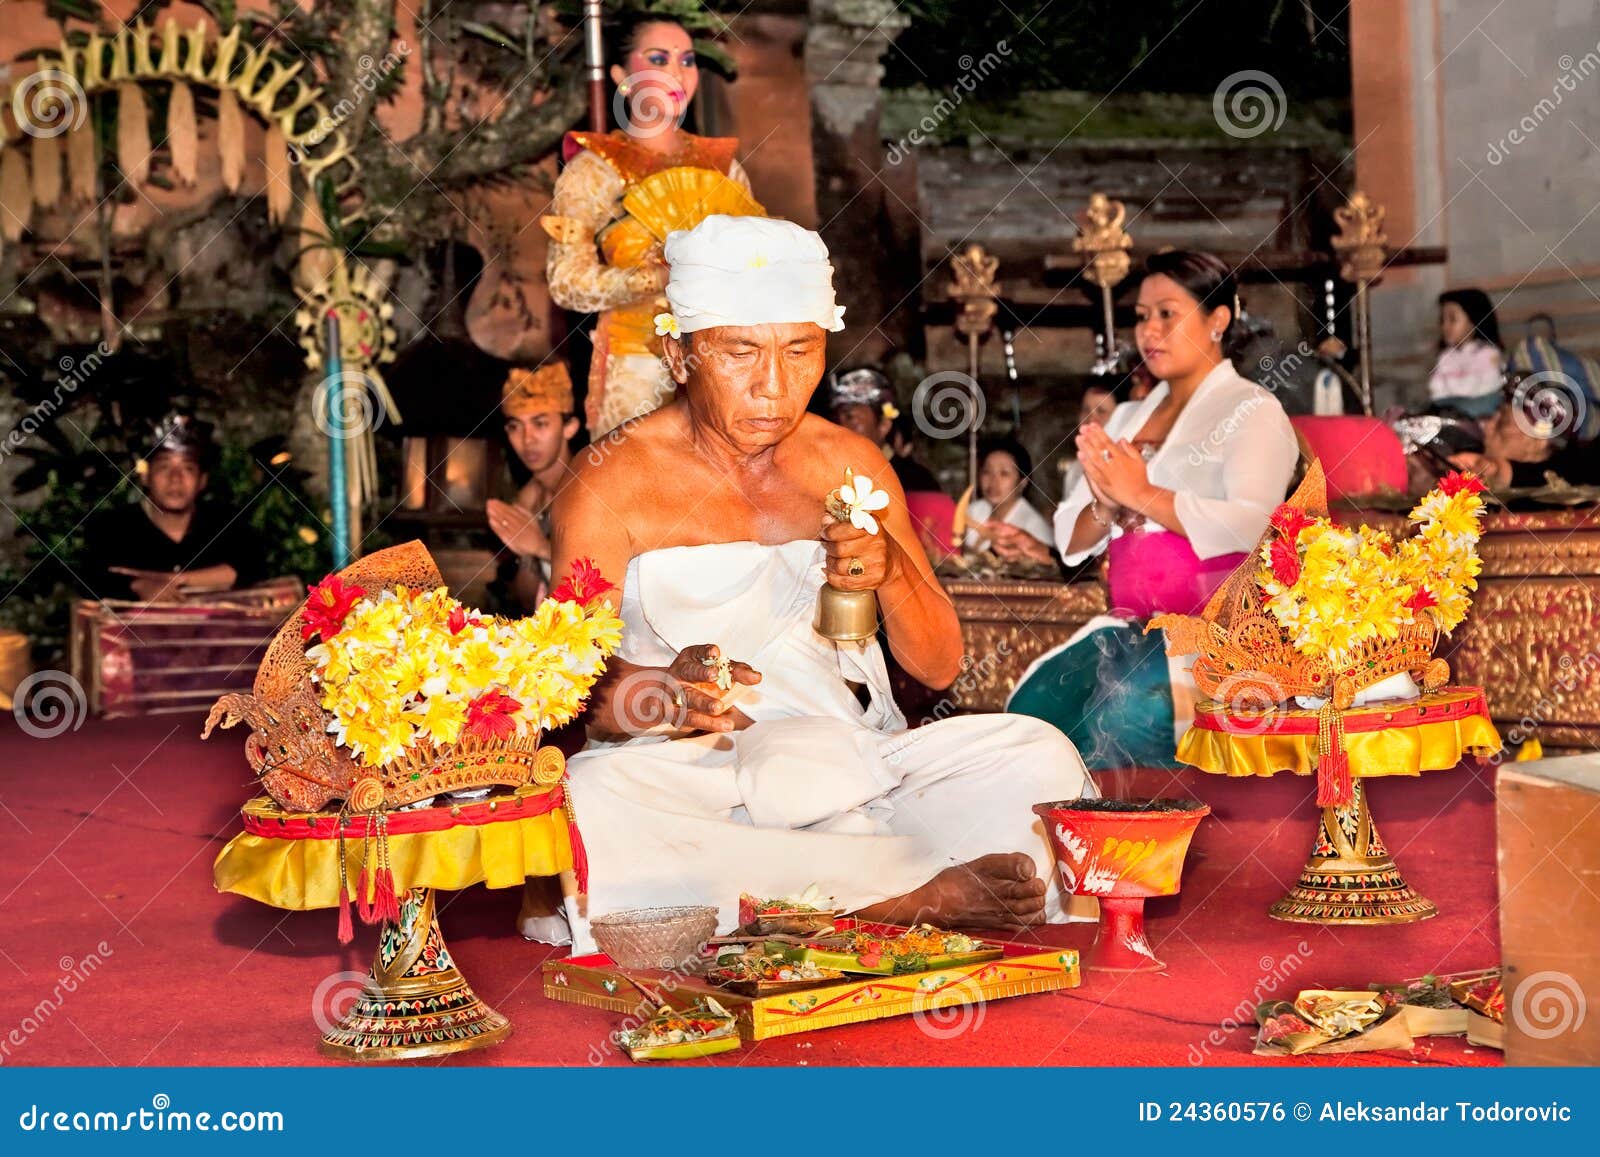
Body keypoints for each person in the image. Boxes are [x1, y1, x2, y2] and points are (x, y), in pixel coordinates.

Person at [519, 215, 1095, 951]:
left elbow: (940, 664)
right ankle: (901, 898)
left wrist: (889, 567)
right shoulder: (609, 483)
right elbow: (567, 692)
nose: (773, 386)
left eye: (801, 351)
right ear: (678, 351)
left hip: (857, 762)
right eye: (741, 352)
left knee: (1037, 755)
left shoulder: (848, 460)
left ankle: (818, 895)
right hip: (698, 773)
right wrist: (664, 690)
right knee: (595, 799)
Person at [1004, 251, 1299, 769]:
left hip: (1215, 639)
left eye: (1167, 313)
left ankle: (1150, 843)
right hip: (1128, 632)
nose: (1149, 330)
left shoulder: (1253, 410)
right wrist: (1104, 502)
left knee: (1122, 720)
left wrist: (1142, 495)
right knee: (1031, 718)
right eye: (1142, 316)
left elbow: (1256, 525)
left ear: (1218, 320)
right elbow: (1068, 540)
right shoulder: (1126, 415)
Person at [543, 10, 760, 437]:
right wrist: (652, 278)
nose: (677, 73)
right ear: (622, 76)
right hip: (635, 366)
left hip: (720, 364)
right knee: (637, 491)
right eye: (658, 59)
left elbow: (757, 264)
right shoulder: (594, 170)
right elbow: (565, 281)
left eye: (688, 60)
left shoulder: (725, 169)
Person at [83, 414, 264, 602]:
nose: (175, 479)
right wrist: (139, 585)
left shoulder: (226, 522)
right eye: (164, 467)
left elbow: (251, 568)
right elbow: (94, 578)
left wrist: (176, 581)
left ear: (202, 481)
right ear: (146, 476)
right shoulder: (113, 527)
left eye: (187, 469)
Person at [486, 363, 580, 611]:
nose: (527, 440)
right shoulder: (527, 499)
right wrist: (526, 554)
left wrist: (539, 546)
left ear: (569, 427)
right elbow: (526, 602)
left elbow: (609, 577)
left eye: (540, 424)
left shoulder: (587, 486)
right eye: (515, 427)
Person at [828, 366, 943, 495]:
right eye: (835, 420)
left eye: (850, 417)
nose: (839, 429)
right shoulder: (828, 478)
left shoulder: (915, 483)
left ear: (883, 425)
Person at [963, 437, 1054, 552]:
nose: (993, 481)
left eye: (1004, 473)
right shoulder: (973, 510)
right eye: (987, 471)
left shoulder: (1034, 529)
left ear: (1022, 482)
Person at [1427, 288, 1504, 418]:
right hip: (1452, 406)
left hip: (1481, 408)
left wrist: (1452, 394)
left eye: (1452, 319)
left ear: (1474, 322)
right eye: (1442, 320)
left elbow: (1480, 388)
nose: (1445, 326)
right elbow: (1436, 388)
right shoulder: (1446, 356)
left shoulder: (1488, 354)